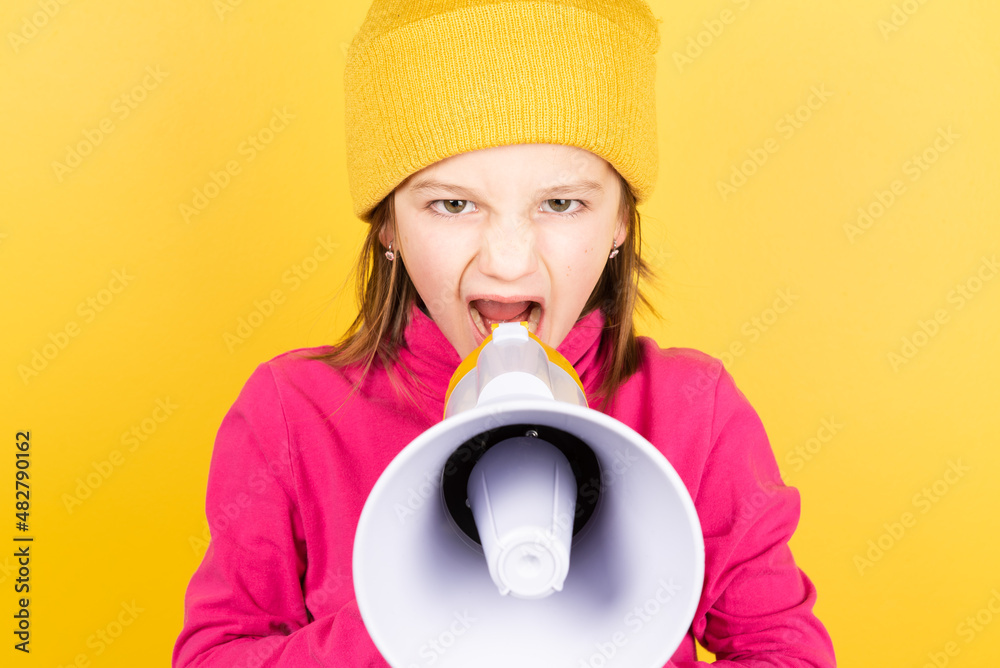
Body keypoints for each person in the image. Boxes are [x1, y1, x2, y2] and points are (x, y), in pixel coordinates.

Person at [173, 0, 836, 665]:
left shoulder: (695, 411)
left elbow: (785, 649)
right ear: (388, 224)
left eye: (560, 203)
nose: (508, 259)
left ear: (621, 223)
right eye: (454, 204)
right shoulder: (292, 414)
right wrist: (408, 613)